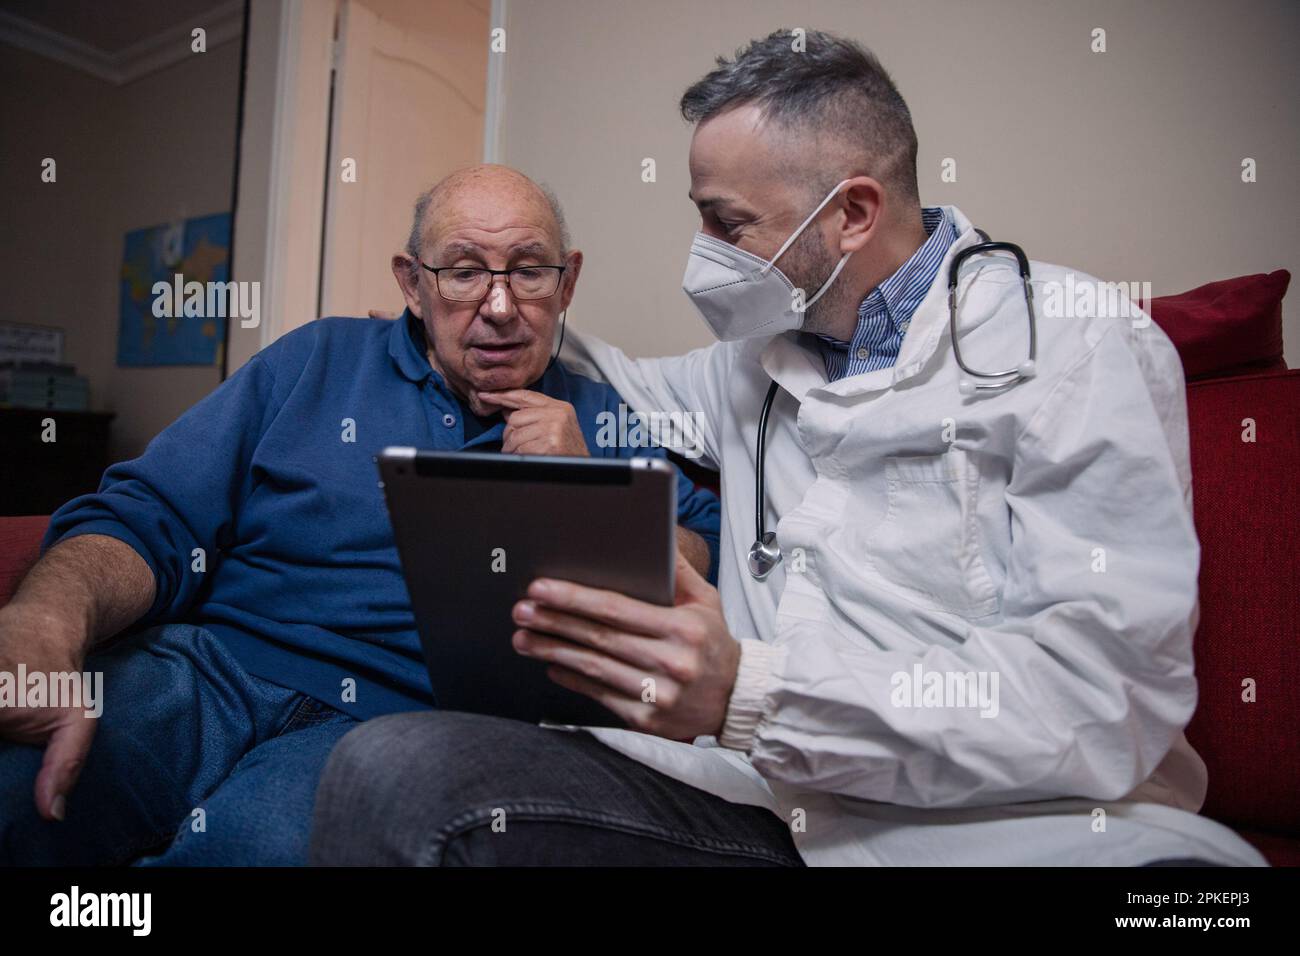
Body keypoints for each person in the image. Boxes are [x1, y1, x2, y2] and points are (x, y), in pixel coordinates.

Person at [309, 31, 1265, 867]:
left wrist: (753, 692)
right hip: (760, 805)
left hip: (1008, 829)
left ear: (851, 213)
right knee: (398, 765)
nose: (702, 251)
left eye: (726, 223)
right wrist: (485, 288)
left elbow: (1102, 704)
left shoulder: (1075, 344)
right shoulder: (754, 363)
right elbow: (593, 362)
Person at [0, 166, 721, 865]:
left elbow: (704, 549)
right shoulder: (318, 358)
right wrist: (45, 620)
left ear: (567, 284)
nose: (500, 307)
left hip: (393, 728)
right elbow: (149, 512)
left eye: (529, 270)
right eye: (464, 272)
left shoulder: (599, 416)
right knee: (16, 790)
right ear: (412, 284)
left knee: (250, 851)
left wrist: (585, 487)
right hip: (211, 668)